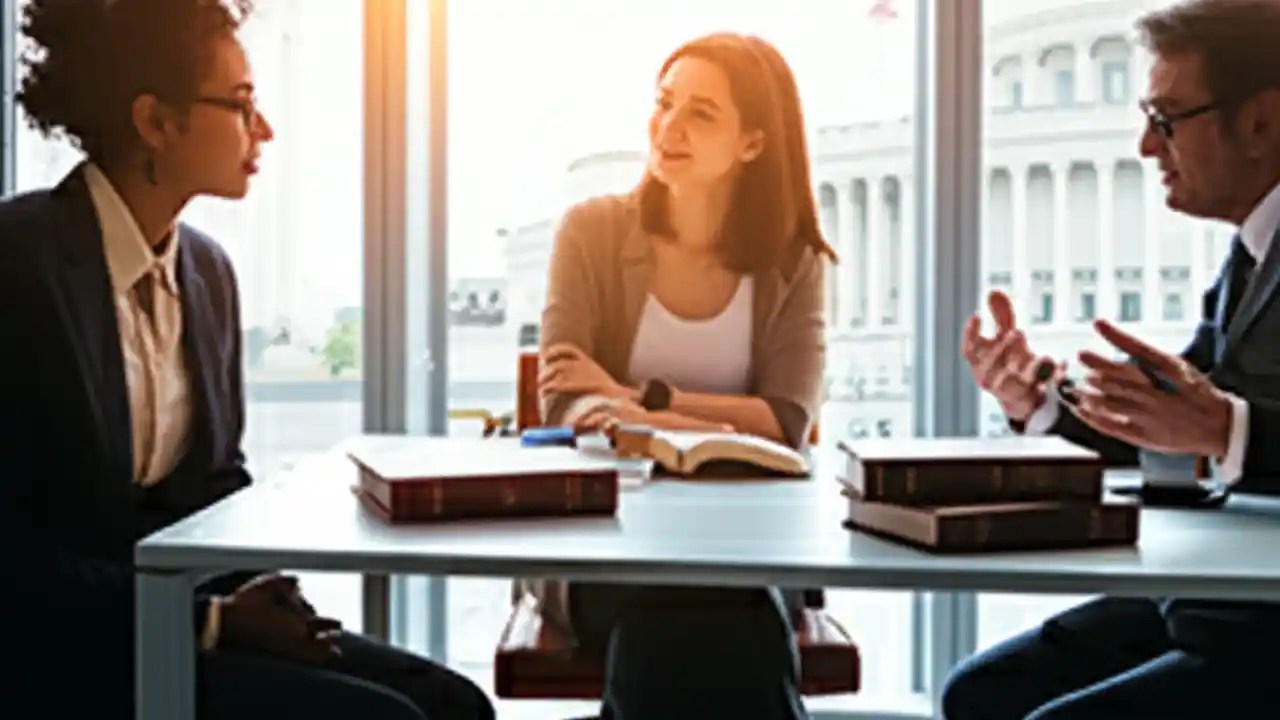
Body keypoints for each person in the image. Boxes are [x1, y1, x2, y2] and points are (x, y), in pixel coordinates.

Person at [0, 2, 494, 719]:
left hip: (189, 616)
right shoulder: (20, 265)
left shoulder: (206, 273)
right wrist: (218, 622)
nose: (263, 129)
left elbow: (214, 487)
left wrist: (270, 599)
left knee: (454, 704)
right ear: (156, 122)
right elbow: (12, 556)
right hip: (65, 645)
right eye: (240, 103)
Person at [946, 0, 1280, 717]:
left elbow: (1207, 423)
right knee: (978, 696)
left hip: (1261, 626)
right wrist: (1036, 399)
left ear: (1261, 123)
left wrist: (1227, 431)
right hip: (1212, 601)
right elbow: (1165, 420)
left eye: (1166, 120)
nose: (1145, 147)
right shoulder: (1252, 253)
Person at [515, 32, 834, 720]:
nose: (670, 128)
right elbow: (566, 398)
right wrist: (718, 423)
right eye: (664, 104)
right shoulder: (591, 232)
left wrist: (638, 402)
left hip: (750, 541)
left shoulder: (793, 262)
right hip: (604, 539)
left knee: (721, 599)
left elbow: (786, 423)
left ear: (753, 142)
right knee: (693, 608)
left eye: (701, 114)